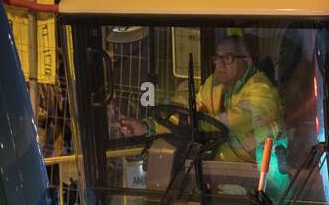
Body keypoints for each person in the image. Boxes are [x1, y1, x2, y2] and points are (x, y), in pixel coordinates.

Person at [121, 33, 283, 169]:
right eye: (217, 58)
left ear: (246, 62)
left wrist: (193, 124)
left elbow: (231, 121)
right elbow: (189, 112)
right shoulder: (214, 84)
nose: (219, 64)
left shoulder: (263, 91)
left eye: (227, 58)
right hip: (218, 171)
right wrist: (148, 126)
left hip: (258, 175)